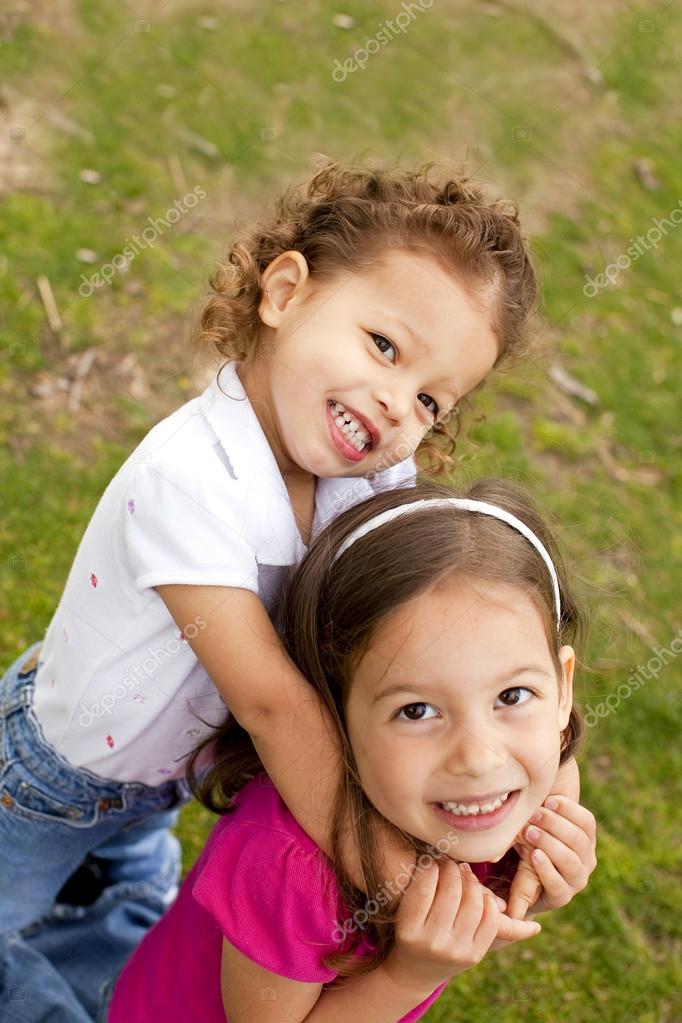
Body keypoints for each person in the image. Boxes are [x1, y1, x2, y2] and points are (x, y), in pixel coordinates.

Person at [0, 160, 571, 1020]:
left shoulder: (367, 472)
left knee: (121, 907)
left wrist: (548, 797)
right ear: (285, 291)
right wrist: (395, 876)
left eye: (429, 399)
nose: (393, 405)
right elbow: (271, 700)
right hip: (55, 779)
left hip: (165, 775)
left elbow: (465, 615)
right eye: (383, 346)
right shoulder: (189, 477)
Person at [107, 477, 597, 1022]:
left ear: (562, 689)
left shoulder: (502, 796)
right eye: (416, 711)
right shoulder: (289, 869)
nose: (479, 759)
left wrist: (530, 889)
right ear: (335, 717)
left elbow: (473, 913)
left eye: (512, 696)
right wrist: (409, 976)